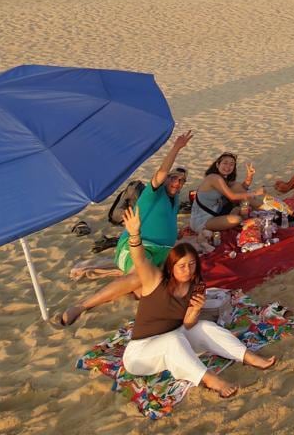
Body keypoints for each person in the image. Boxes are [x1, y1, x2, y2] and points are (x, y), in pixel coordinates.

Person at [118, 205, 277, 396]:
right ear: (171, 267)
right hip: (141, 354)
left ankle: (248, 356)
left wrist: (194, 312)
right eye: (182, 266)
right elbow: (140, 260)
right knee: (173, 339)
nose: (188, 270)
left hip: (174, 338)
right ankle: (210, 379)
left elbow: (187, 324)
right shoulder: (155, 281)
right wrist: (134, 235)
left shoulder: (196, 286)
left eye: (192, 264)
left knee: (203, 326)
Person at [55, 131, 193, 327]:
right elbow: (162, 172)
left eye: (181, 181)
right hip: (136, 247)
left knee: (150, 287)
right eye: (174, 178)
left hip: (161, 253)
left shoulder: (175, 198)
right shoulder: (152, 193)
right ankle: (82, 306)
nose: (177, 183)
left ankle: (128, 283)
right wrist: (176, 149)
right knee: (139, 278)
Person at [190, 152, 266, 234]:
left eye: (231, 164)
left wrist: (249, 176)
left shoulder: (223, 179)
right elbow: (232, 196)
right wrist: (255, 193)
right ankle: (265, 207)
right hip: (203, 220)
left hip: (216, 213)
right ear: (217, 165)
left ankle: (264, 207)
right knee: (237, 219)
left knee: (236, 187)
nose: (228, 167)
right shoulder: (214, 178)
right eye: (225, 163)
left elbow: (242, 188)